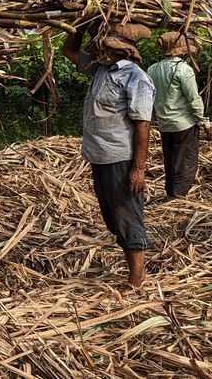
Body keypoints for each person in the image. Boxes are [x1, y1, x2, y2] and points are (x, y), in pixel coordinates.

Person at [61, 23, 156, 287]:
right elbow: (68, 50)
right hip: (99, 156)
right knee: (113, 218)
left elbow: (143, 125)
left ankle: (137, 279)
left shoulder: (135, 78)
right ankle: (134, 272)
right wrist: (79, 23)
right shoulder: (100, 69)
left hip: (121, 158)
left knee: (127, 217)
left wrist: (138, 169)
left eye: (102, 44)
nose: (97, 48)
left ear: (119, 49)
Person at [147, 32, 212, 198]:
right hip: (184, 124)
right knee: (186, 163)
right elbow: (194, 99)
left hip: (164, 124)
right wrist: (205, 124)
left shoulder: (152, 69)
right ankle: (178, 197)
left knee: (170, 161)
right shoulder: (184, 69)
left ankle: (171, 193)